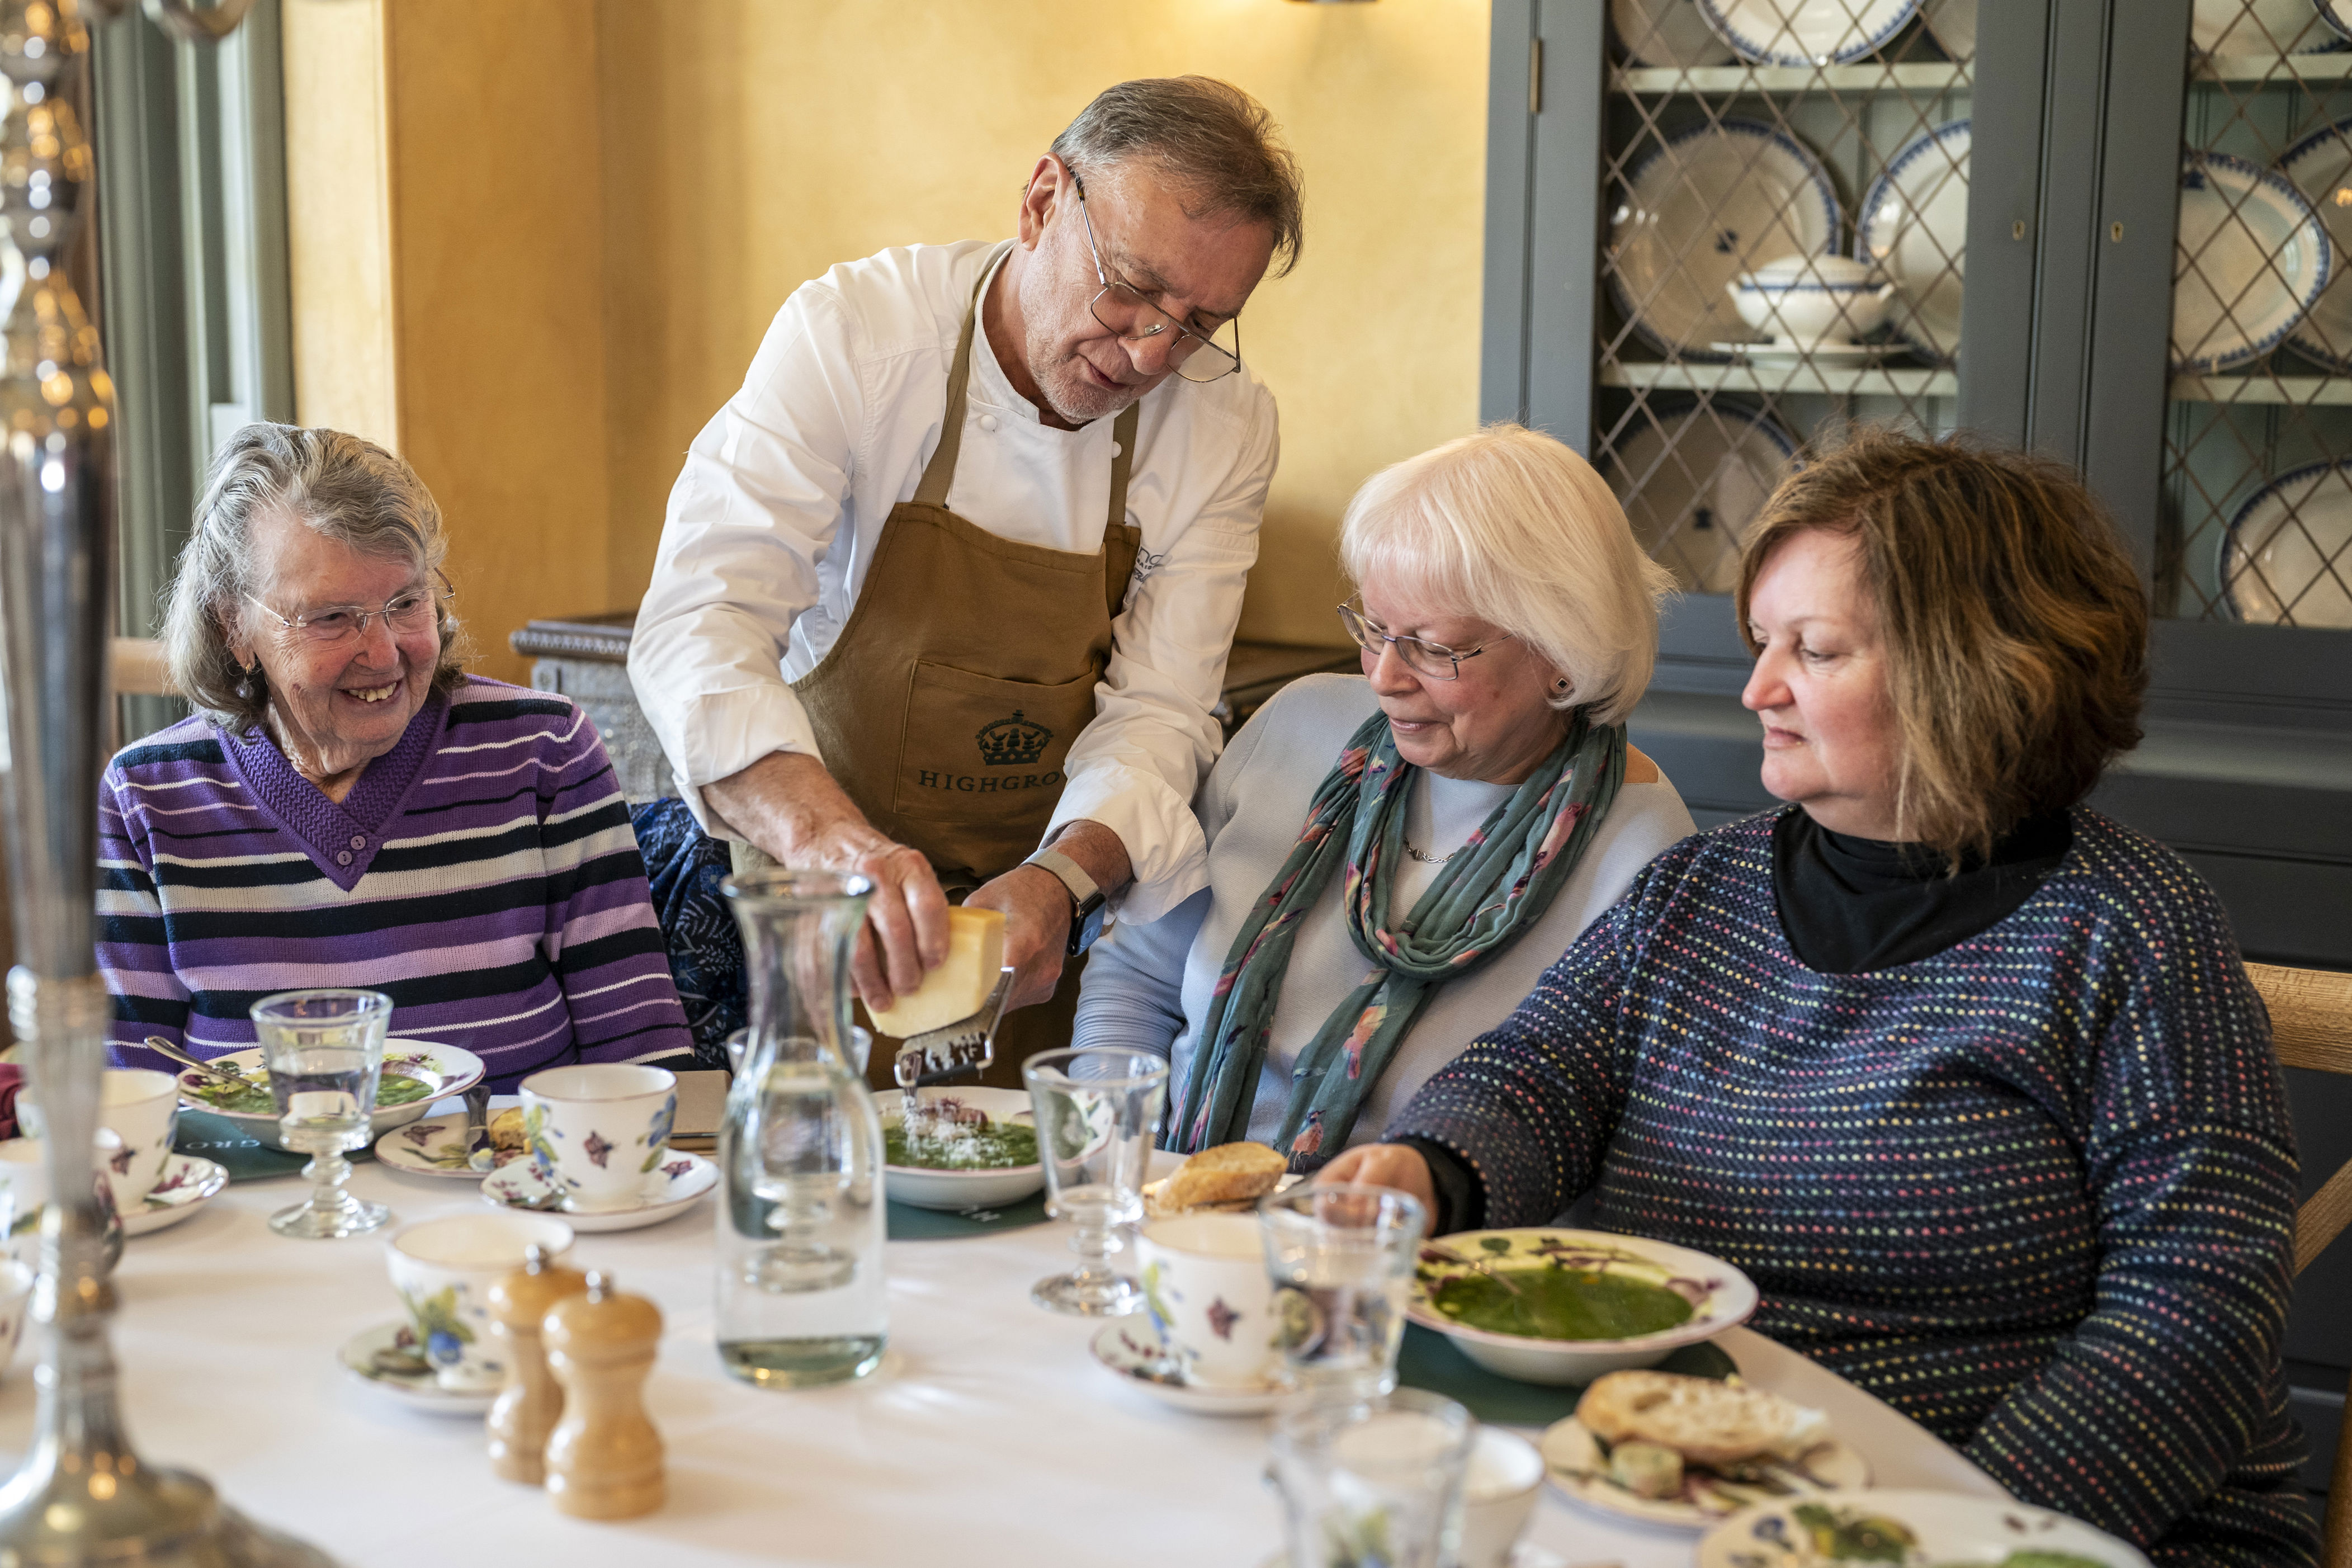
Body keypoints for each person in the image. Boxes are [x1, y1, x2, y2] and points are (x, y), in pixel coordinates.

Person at [1325, 430, 2317, 1566]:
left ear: (1974, 669)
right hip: (1700, 1479)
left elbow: (2197, 1307)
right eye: (1761, 642)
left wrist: (1933, 1528)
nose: (1758, 688)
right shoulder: (1700, 889)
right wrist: (1434, 1167)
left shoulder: (2131, 930)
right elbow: (1540, 1070)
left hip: (2019, 1519)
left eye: (1816, 649)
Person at [626, 77, 1300, 1070]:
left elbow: (1163, 710)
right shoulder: (857, 337)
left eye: (1201, 322)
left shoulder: (1224, 426)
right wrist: (838, 850)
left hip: (1030, 939)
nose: (1153, 352)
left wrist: (1063, 880)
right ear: (1042, 202)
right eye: (1132, 288)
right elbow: (702, 623)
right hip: (810, 909)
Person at [1073, 426, 1694, 1167]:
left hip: (1420, 1233)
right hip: (1171, 1201)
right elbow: (1137, 976)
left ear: (1564, 651)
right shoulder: (1293, 727)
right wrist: (1109, 1157)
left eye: (1432, 648)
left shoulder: (1645, 851)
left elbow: (1622, 1144)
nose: (1383, 677)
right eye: (1374, 628)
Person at [101, 424, 695, 1089]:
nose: (384, 653)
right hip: (258, 1164)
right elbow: (130, 1100)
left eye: (406, 602)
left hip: (504, 1159)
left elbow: (644, 1059)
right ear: (234, 627)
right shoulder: (147, 797)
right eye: (332, 617)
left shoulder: (542, 753)